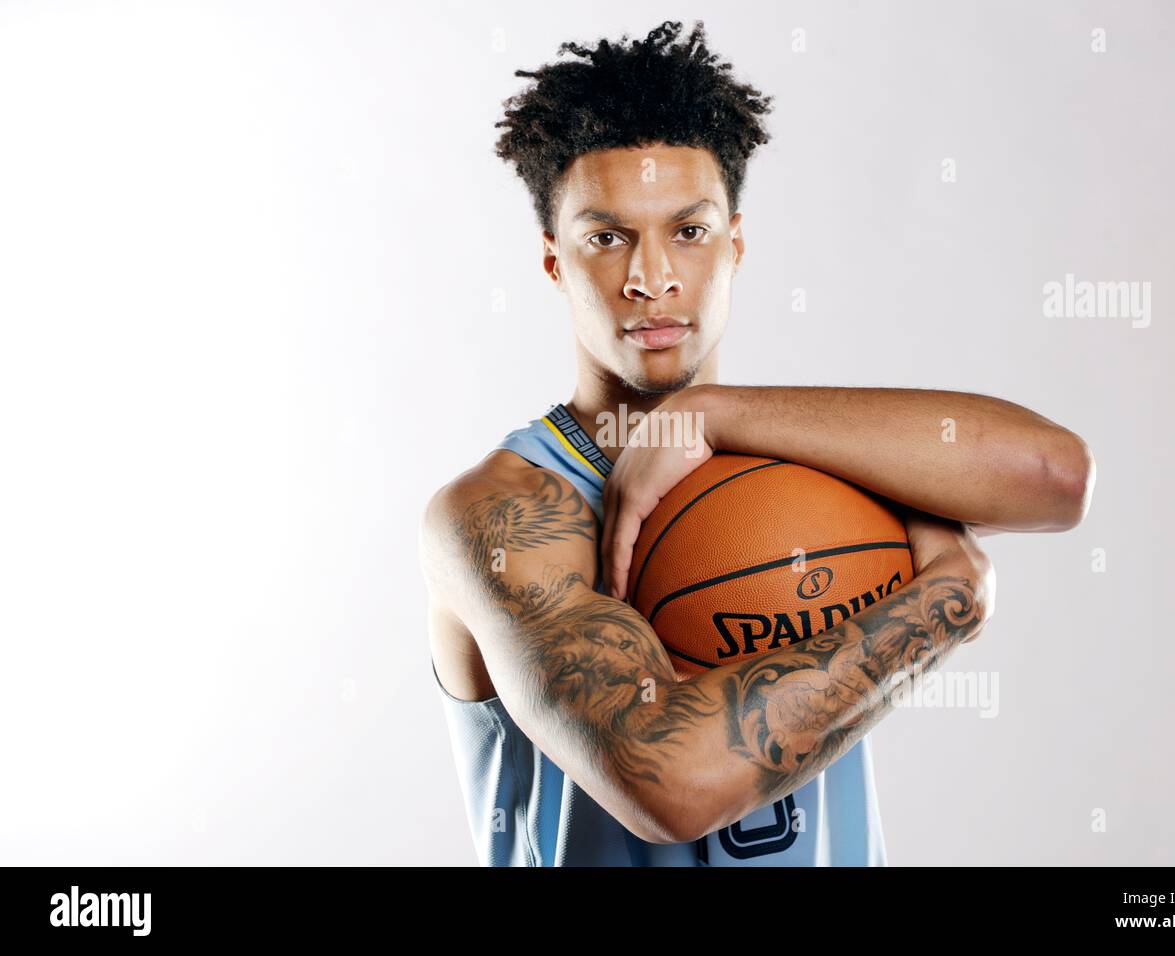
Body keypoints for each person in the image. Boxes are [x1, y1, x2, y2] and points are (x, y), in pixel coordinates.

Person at [419, 20, 1093, 866]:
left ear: (736, 242)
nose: (651, 276)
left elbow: (1056, 474)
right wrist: (945, 601)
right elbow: (673, 787)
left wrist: (712, 416)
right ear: (554, 261)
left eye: (689, 231)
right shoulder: (502, 515)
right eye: (607, 236)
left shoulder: (808, 465)